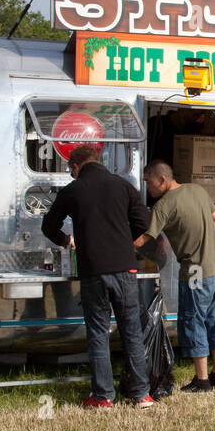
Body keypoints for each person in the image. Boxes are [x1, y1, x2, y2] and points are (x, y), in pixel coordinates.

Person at [42, 143, 154, 409]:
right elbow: (145, 223)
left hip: (93, 269)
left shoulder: (73, 190)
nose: (71, 174)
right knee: (131, 331)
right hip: (125, 268)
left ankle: (103, 396)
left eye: (71, 169)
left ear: (77, 166)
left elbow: (49, 226)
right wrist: (127, 242)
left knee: (98, 332)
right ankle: (141, 394)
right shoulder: (124, 186)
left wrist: (66, 239)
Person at [135, 160, 215, 392]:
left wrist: (119, 248)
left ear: (162, 180)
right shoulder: (197, 190)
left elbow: (145, 239)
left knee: (194, 320)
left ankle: (202, 381)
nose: (147, 189)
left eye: (148, 183)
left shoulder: (163, 206)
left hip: (195, 270)